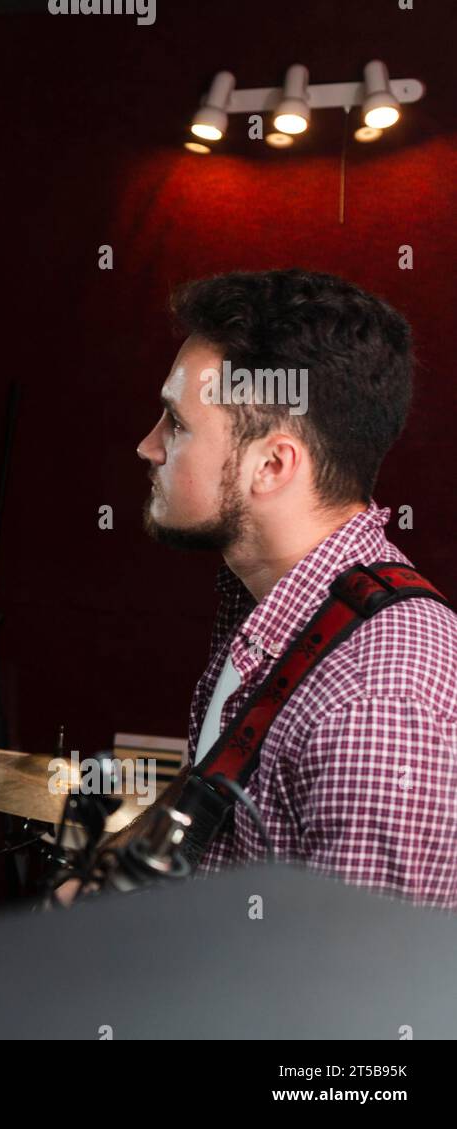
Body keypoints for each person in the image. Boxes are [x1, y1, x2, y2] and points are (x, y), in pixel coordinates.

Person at [63, 269, 457, 909]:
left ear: (271, 465)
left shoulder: (375, 698)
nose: (148, 446)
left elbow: (353, 996)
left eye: (176, 422)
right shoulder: (282, 612)